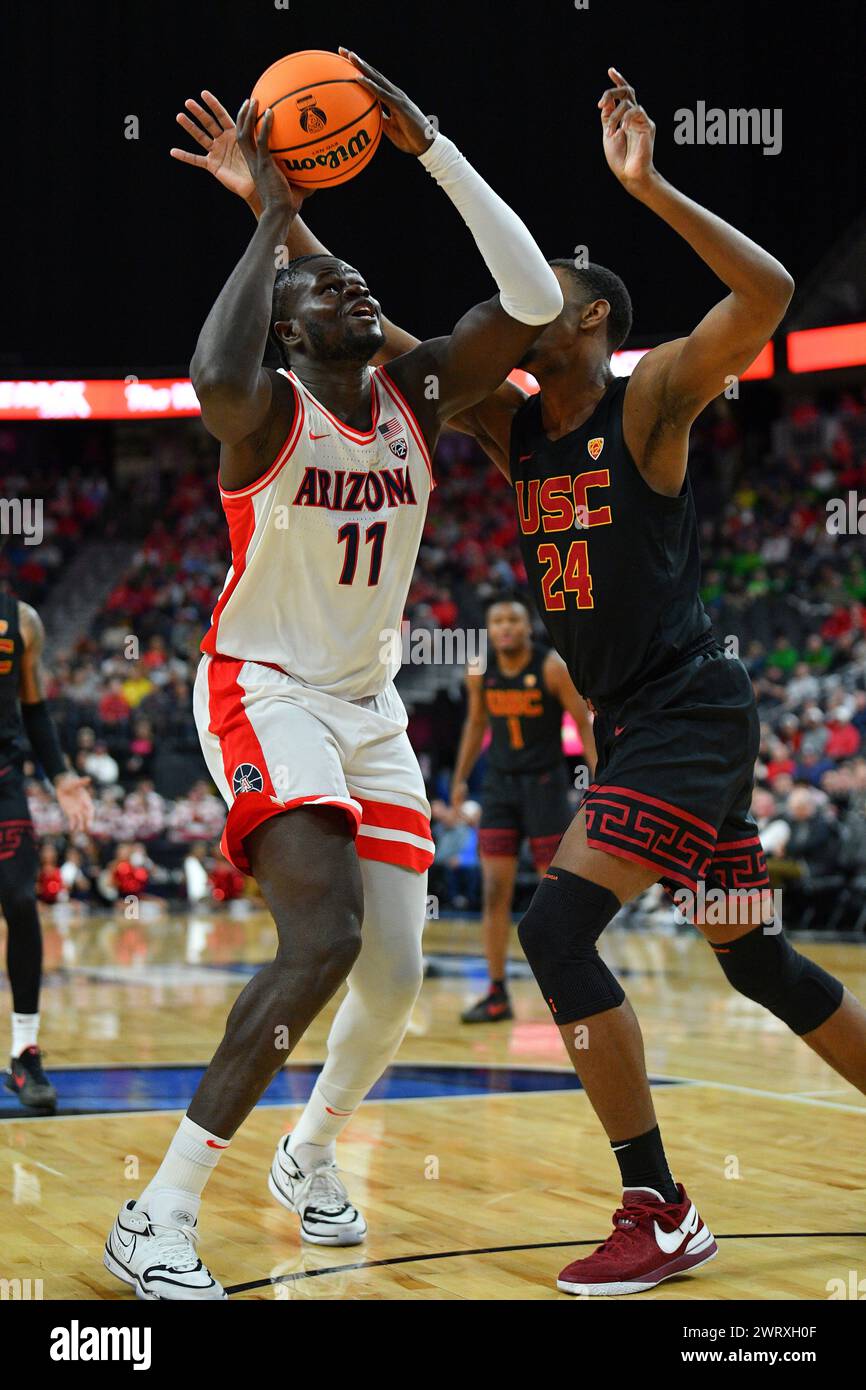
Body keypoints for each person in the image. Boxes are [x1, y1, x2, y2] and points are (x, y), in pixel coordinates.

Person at [193, 64, 866, 1298]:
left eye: (549, 299)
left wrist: (650, 186)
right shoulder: (508, 428)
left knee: (557, 926)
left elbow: (762, 293)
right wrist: (273, 209)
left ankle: (656, 1208)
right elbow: (376, 335)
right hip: (635, 727)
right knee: (753, 956)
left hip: (686, 709)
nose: (522, 313)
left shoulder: (650, 397)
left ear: (594, 322)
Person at [104, 54, 563, 1300]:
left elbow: (526, 294)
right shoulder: (263, 412)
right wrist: (266, 223)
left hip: (365, 706)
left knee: (398, 972)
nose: (358, 286)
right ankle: (158, 1210)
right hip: (261, 686)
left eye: (362, 279)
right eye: (330, 285)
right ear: (293, 326)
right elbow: (212, 374)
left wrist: (429, 143)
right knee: (323, 941)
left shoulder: (417, 394)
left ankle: (308, 1154)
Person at [451, 595, 595, 1021]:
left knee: (556, 893)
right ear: (490, 629)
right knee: (495, 892)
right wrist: (460, 778)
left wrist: (599, 775)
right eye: (497, 620)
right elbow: (476, 724)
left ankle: (575, 985)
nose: (506, 627)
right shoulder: (480, 670)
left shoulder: (551, 667)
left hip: (545, 786)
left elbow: (583, 722)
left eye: (513, 619)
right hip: (499, 788)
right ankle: (497, 993)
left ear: (528, 626)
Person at [0, 573, 93, 1111]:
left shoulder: (21, 621)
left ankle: (25, 1049)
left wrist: (59, 776)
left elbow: (33, 708)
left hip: (4, 780)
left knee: (18, 900)